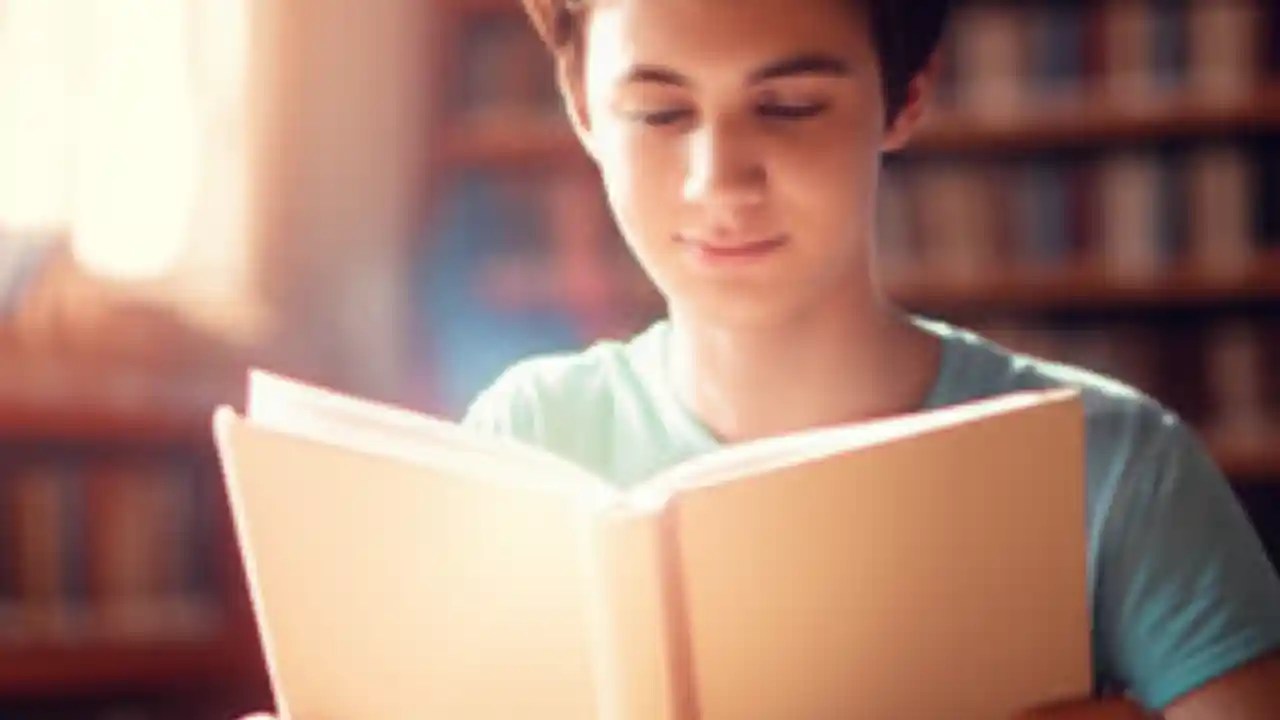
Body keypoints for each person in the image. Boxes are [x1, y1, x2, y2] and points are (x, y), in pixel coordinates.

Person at [249, 0, 1280, 717]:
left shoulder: (1109, 465)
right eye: (656, 112)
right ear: (578, 108)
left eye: (788, 106)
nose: (718, 181)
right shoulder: (523, 442)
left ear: (906, 95)